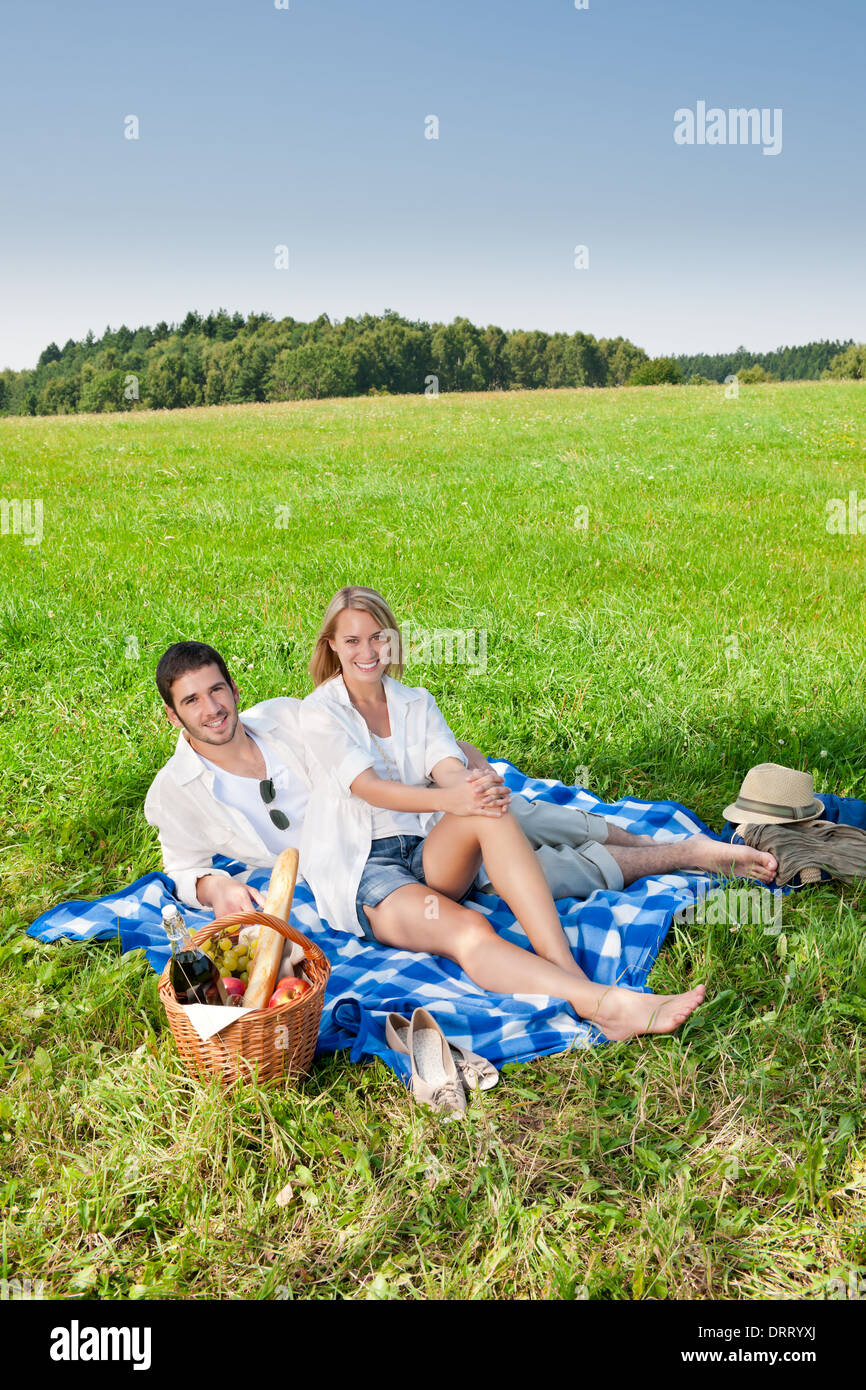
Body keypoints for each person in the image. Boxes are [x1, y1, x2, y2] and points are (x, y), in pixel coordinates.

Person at [298, 587, 774, 1040]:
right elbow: (370, 788)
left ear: (393, 639)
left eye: (378, 636)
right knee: (469, 928)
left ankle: (566, 971)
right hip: (369, 868)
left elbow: (445, 767)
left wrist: (471, 784)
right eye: (353, 640)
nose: (368, 650)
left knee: (488, 807)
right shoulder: (320, 712)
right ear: (332, 646)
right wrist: (453, 798)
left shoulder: (415, 701)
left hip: (428, 850)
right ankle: (602, 1004)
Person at [145, 641, 776, 924]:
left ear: (233, 688)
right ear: (174, 715)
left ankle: (643, 841)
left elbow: (379, 747)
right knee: (531, 877)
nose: (213, 709)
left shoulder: (286, 718)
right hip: (366, 867)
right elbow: (182, 865)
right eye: (193, 701)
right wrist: (213, 886)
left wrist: (462, 762)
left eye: (218, 690)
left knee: (520, 812)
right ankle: (687, 854)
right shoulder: (174, 793)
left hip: (410, 819)